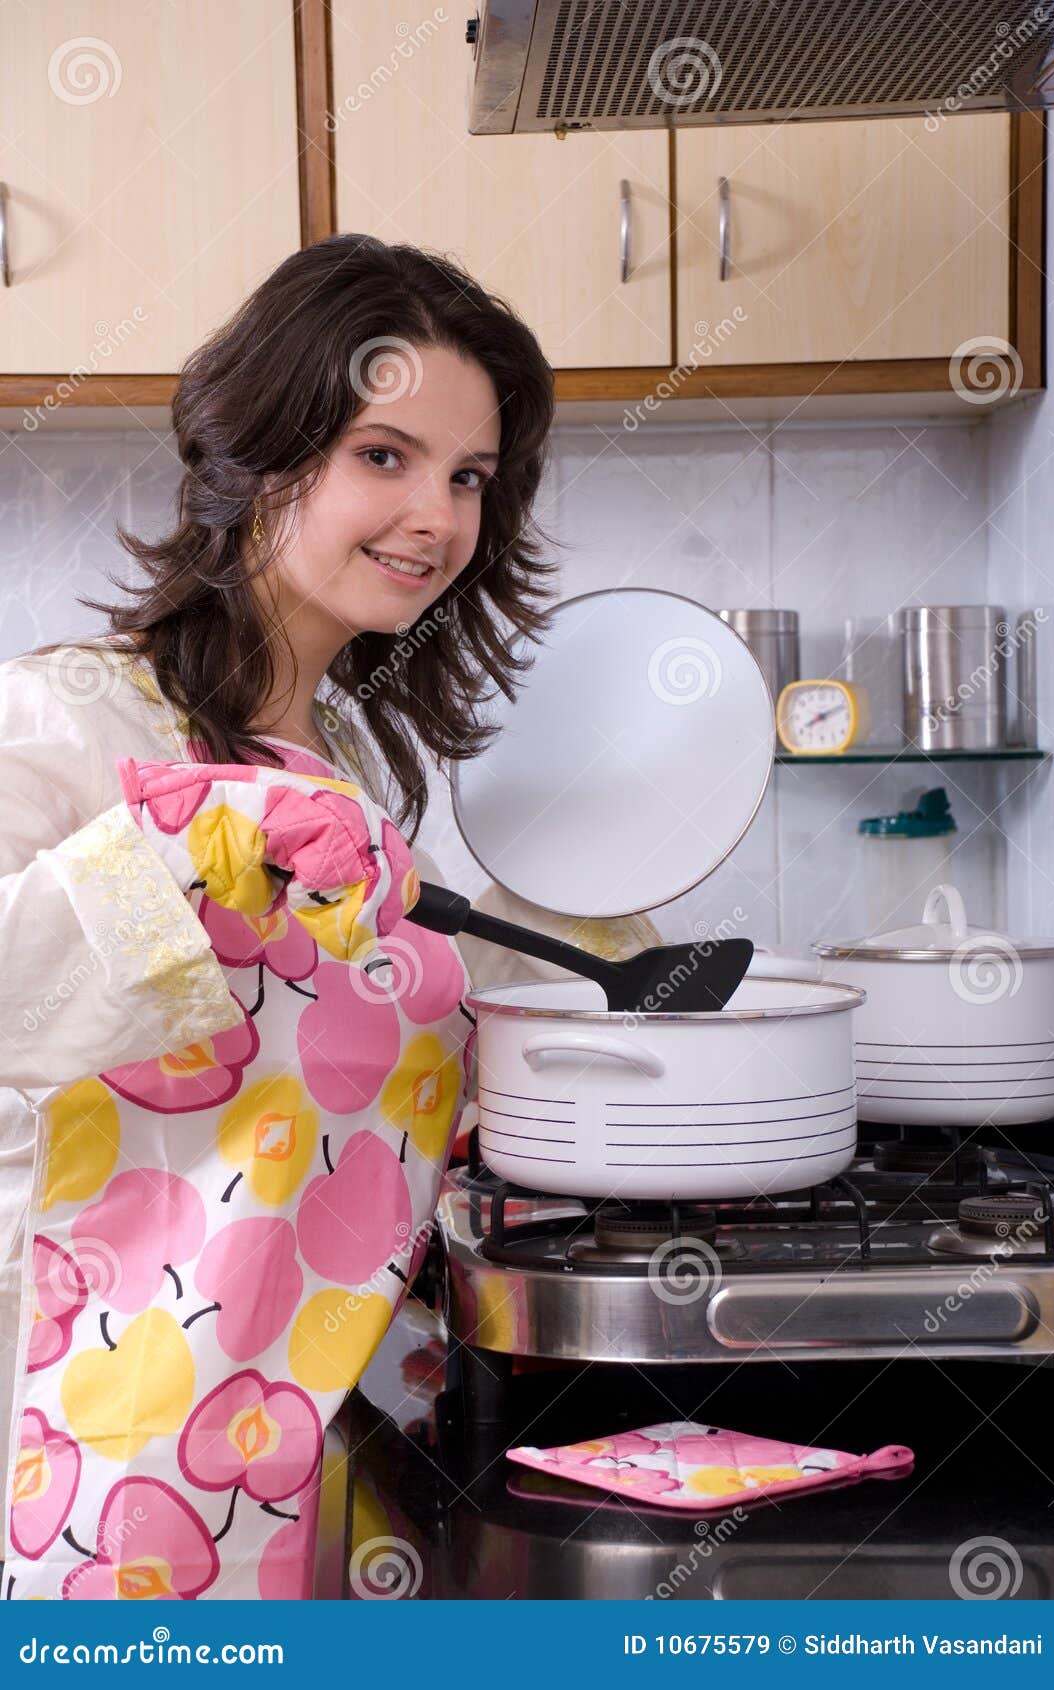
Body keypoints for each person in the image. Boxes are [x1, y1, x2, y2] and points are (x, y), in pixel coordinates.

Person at [0, 233, 557, 1600]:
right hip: (102, 1426)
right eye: (386, 454)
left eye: (469, 476)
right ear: (259, 445)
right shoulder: (69, 714)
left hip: (329, 1416)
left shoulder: (351, 759)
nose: (436, 514)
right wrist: (186, 845)